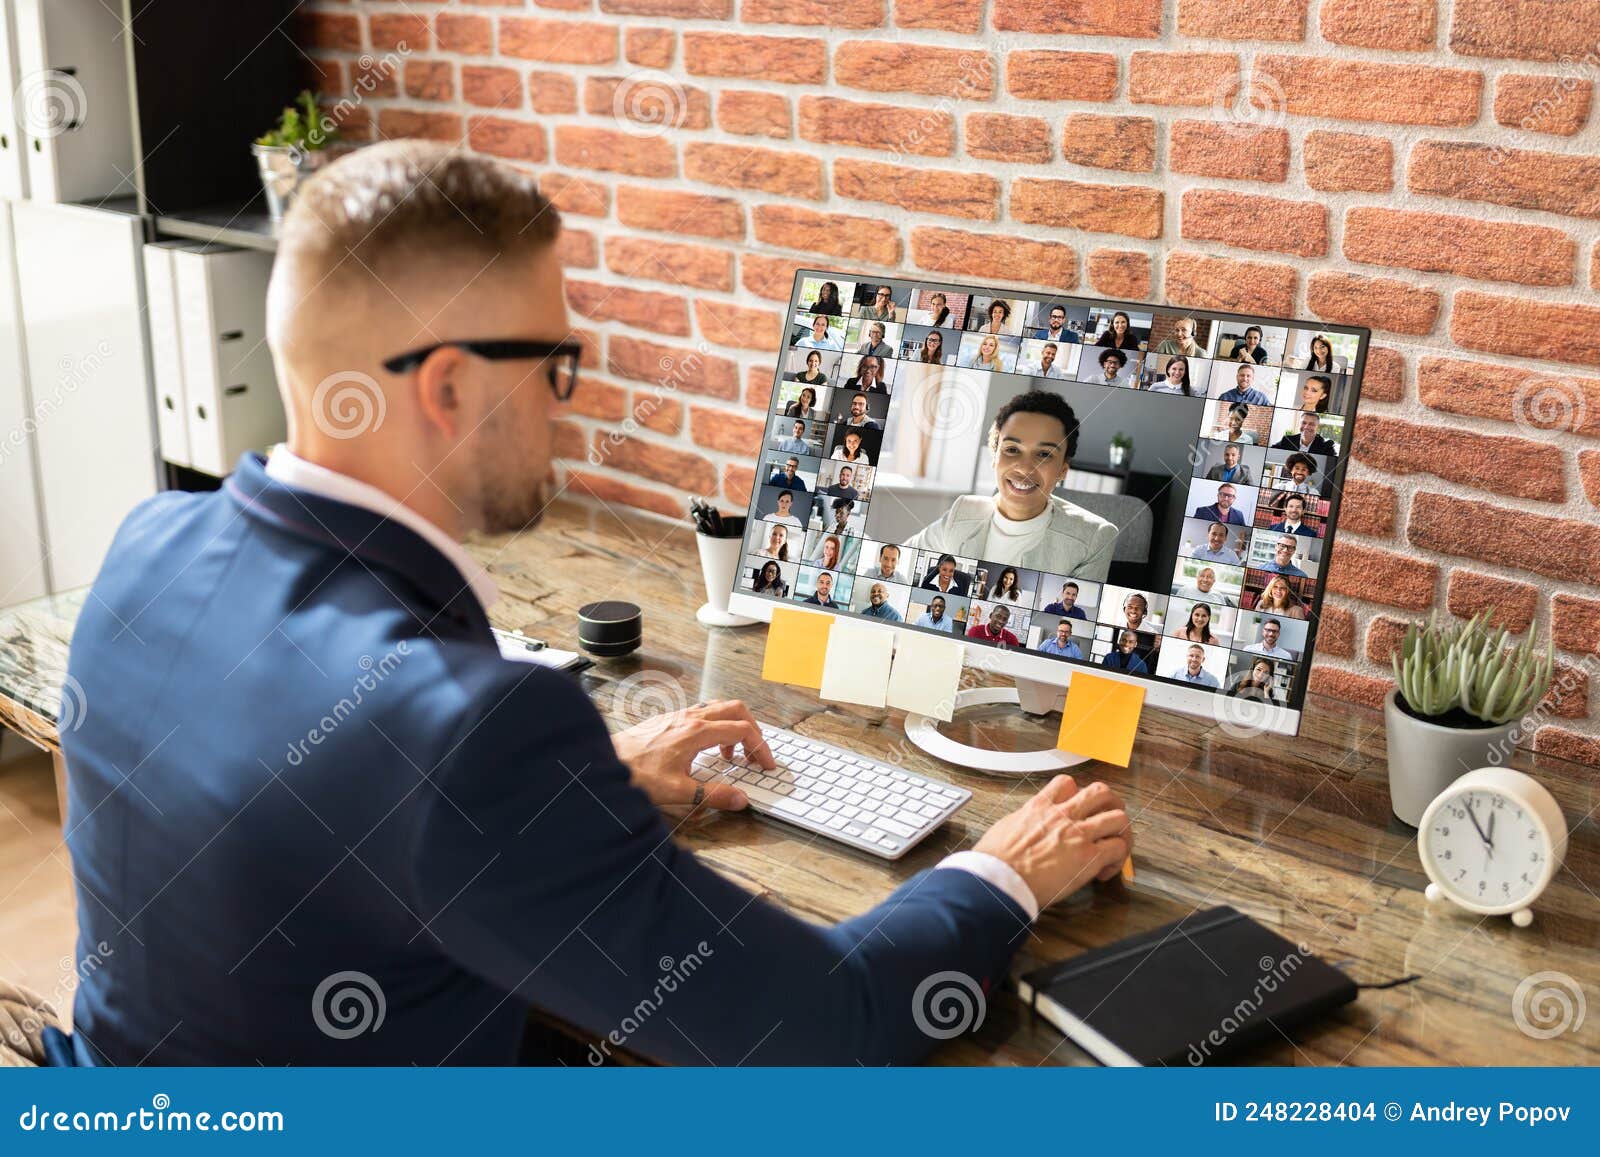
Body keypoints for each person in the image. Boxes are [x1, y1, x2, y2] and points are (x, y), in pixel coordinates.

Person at [58, 142, 1135, 1067]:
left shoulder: (151, 542)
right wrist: (1000, 872)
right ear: (447, 387)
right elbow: (825, 1031)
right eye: (553, 363)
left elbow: (314, 805)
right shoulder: (462, 734)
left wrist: (580, 794)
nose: (569, 406)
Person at [904, 391, 1119, 580]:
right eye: (1012, 449)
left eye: (1044, 454)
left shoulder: (1095, 538)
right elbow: (901, 561)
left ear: (1063, 469)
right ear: (994, 455)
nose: (1025, 468)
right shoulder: (963, 512)